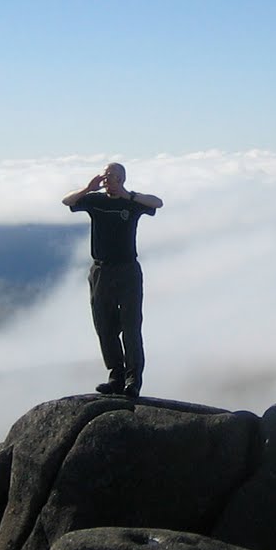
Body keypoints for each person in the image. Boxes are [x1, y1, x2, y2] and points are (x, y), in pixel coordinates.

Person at [62, 163, 163, 398]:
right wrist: (88, 188)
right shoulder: (95, 200)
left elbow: (158, 203)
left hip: (128, 270)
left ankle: (133, 380)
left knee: (130, 326)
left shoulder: (133, 202)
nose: (111, 180)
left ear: (124, 179)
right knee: (104, 327)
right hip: (101, 271)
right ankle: (116, 376)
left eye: (116, 176)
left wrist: (129, 195)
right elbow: (67, 201)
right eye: (108, 176)